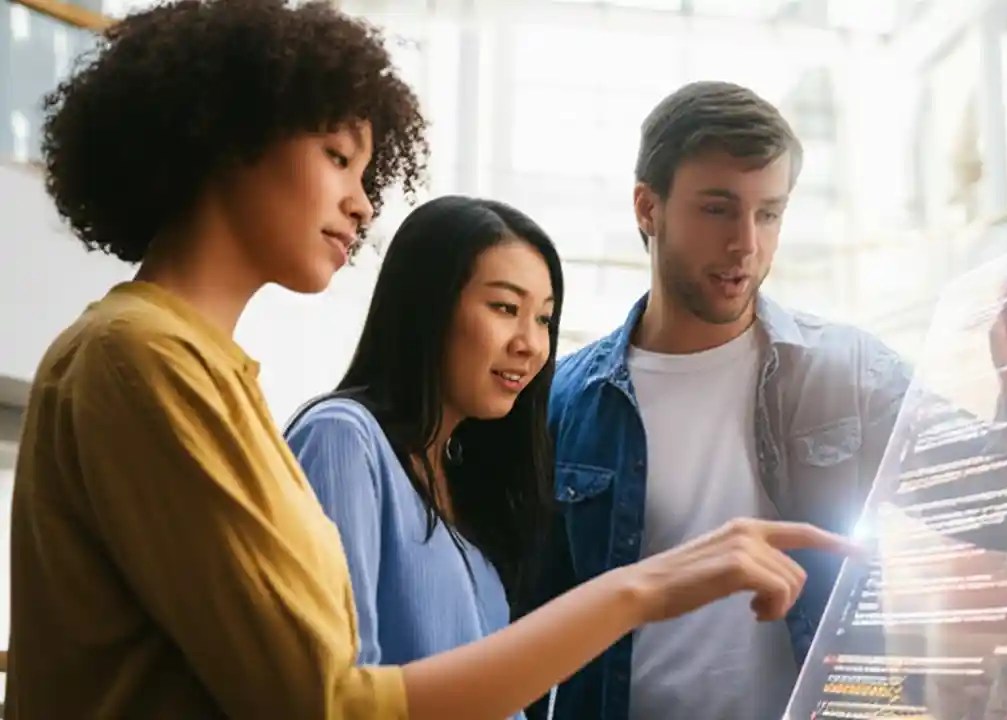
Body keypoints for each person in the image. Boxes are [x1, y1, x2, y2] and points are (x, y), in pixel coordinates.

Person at [6, 6, 860, 718]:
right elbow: (325, 702)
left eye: (544, 318)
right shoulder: (141, 360)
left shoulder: (203, 371)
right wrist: (642, 590)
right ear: (230, 139)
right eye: (338, 157)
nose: (360, 201)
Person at [539, 81, 1007, 720]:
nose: (746, 243)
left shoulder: (849, 374)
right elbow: (522, 620)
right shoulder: (568, 399)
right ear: (647, 208)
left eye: (768, 213)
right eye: (717, 209)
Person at [281, 197, 561, 704]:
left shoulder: (462, 474)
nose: (531, 344)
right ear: (428, 307)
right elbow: (338, 691)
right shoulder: (343, 439)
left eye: (544, 318)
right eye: (505, 308)